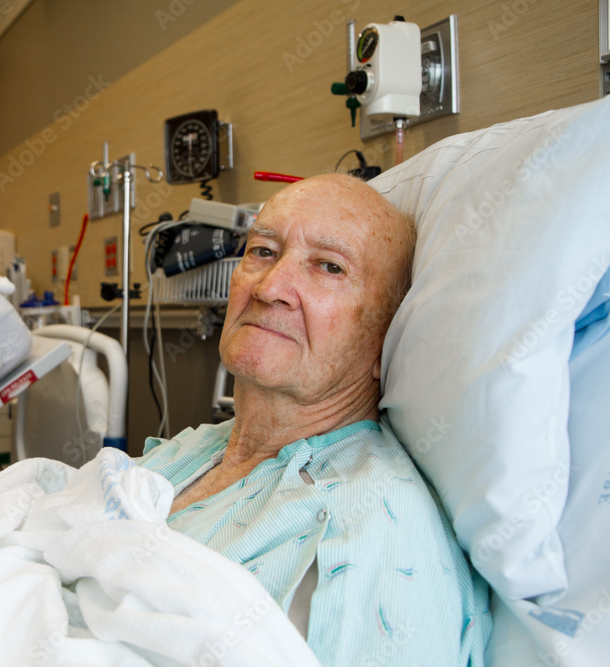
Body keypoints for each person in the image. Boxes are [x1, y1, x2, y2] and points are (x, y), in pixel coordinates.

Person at [138, 174, 491, 666]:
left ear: (385, 339)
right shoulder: (193, 451)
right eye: (263, 251)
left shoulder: (374, 528)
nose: (271, 286)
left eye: (329, 267)